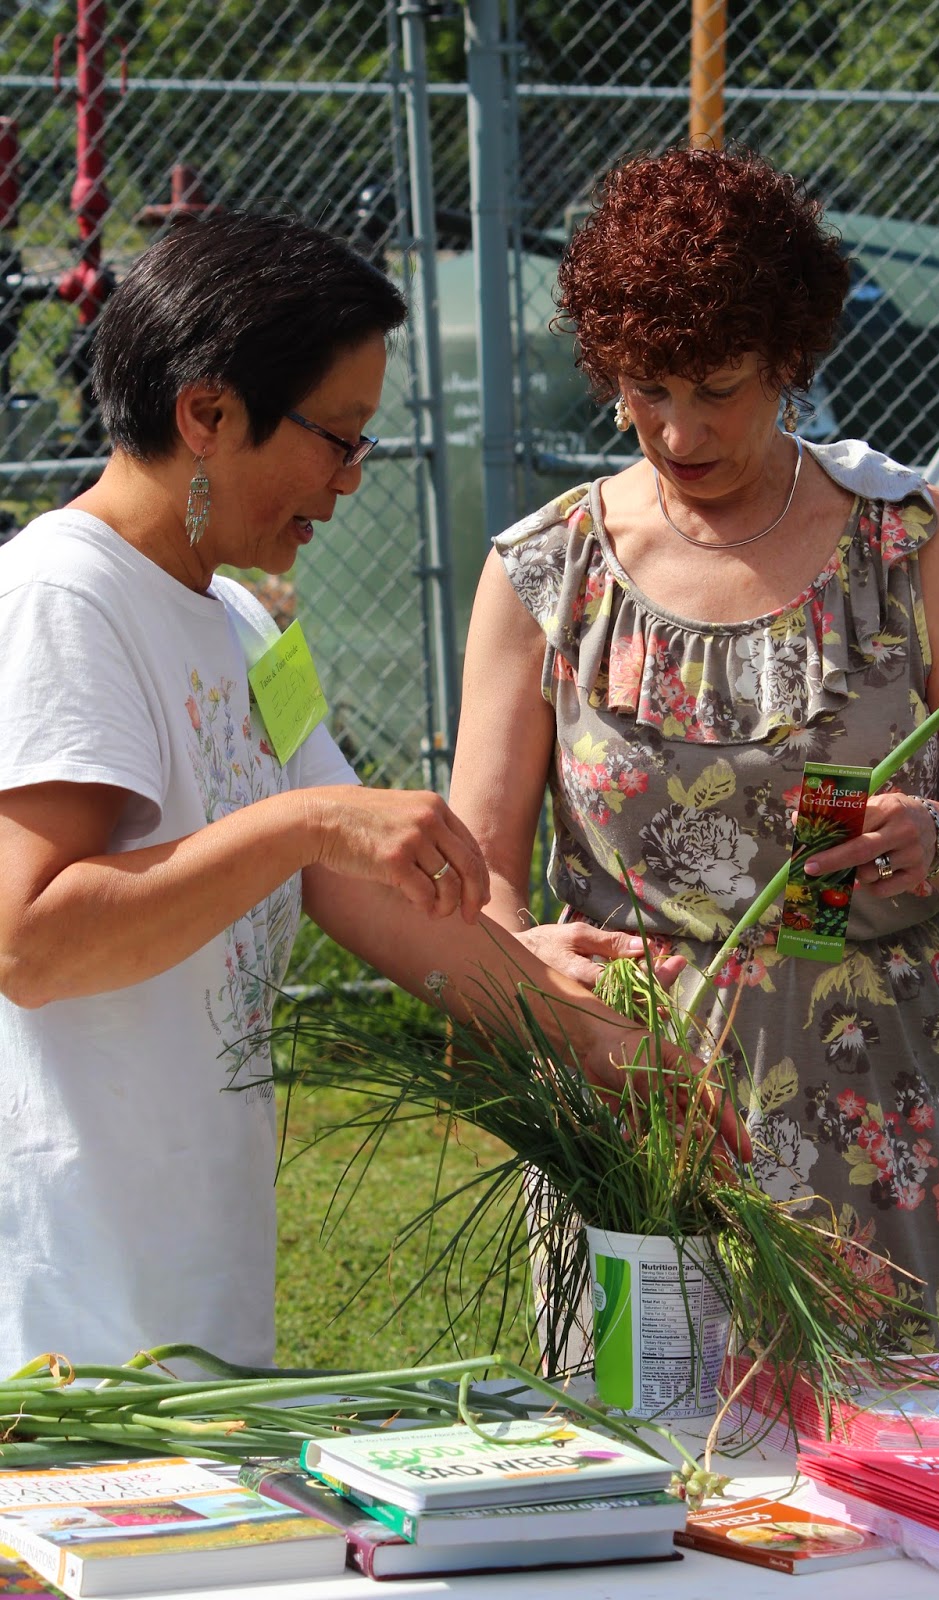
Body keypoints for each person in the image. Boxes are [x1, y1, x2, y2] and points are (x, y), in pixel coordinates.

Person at [0, 210, 729, 1375]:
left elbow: (379, 894)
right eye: (336, 438)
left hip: (192, 1274)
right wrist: (301, 822)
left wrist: (595, 1039)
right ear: (206, 413)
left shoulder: (239, 621)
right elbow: (32, 942)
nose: (345, 484)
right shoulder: (60, 598)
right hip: (66, 1315)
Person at [450, 146, 939, 1347]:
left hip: (889, 1122)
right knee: (660, 1481)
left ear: (788, 361)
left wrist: (934, 842)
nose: (676, 428)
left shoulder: (913, 543)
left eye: (714, 387)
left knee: (904, 1497)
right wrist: (528, 956)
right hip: (642, 1117)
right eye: (643, 387)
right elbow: (481, 877)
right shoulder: (544, 573)